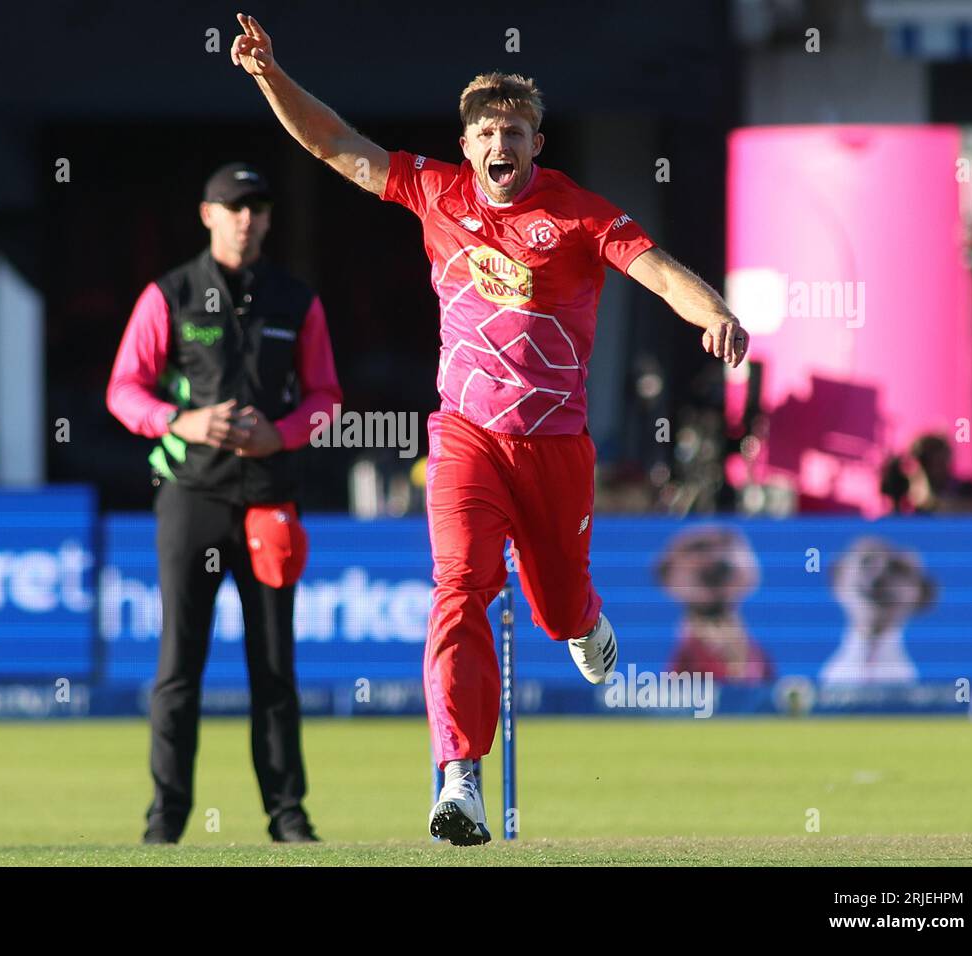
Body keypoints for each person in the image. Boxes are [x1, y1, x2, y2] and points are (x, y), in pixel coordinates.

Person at [230, 13, 751, 845]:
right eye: (485, 131)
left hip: (554, 448)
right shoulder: (433, 189)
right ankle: (459, 779)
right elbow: (333, 144)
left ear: (535, 143)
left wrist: (714, 312)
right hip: (466, 435)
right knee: (461, 588)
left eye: (513, 129)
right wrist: (267, 75)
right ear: (467, 146)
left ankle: (583, 618)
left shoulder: (579, 215)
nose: (498, 142)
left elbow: (653, 270)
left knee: (554, 606)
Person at [106, 161, 343, 844]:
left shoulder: (296, 299)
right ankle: (166, 818)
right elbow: (124, 390)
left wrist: (283, 434)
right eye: (234, 207)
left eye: (258, 208)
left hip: (270, 500)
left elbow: (328, 398)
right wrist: (180, 422)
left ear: (268, 219)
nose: (246, 219)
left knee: (276, 668)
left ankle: (288, 815)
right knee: (180, 666)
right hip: (193, 495)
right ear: (207, 214)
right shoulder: (171, 294)